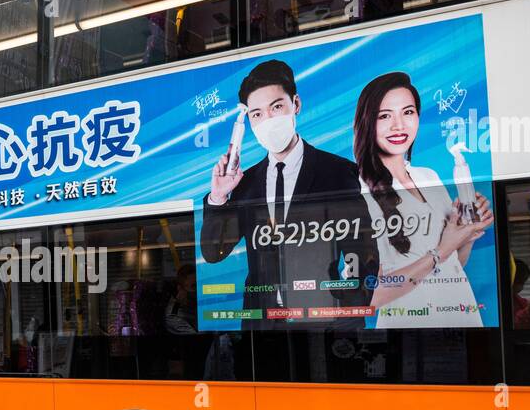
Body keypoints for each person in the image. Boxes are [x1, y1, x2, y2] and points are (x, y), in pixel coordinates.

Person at [201, 59, 376, 321]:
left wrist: (347, 313)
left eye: (277, 107)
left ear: (295, 104)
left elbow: (363, 252)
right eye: (256, 114)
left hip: (324, 321)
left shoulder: (339, 171)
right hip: (263, 325)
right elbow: (213, 254)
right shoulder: (244, 184)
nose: (267, 120)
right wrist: (218, 197)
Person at [352, 71, 493, 327]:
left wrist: (467, 236)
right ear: (366, 122)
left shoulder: (428, 176)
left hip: (462, 318)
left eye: (408, 112)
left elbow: (451, 267)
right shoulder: (357, 190)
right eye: (385, 116)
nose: (399, 125)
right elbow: (369, 297)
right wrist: (443, 249)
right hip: (411, 330)